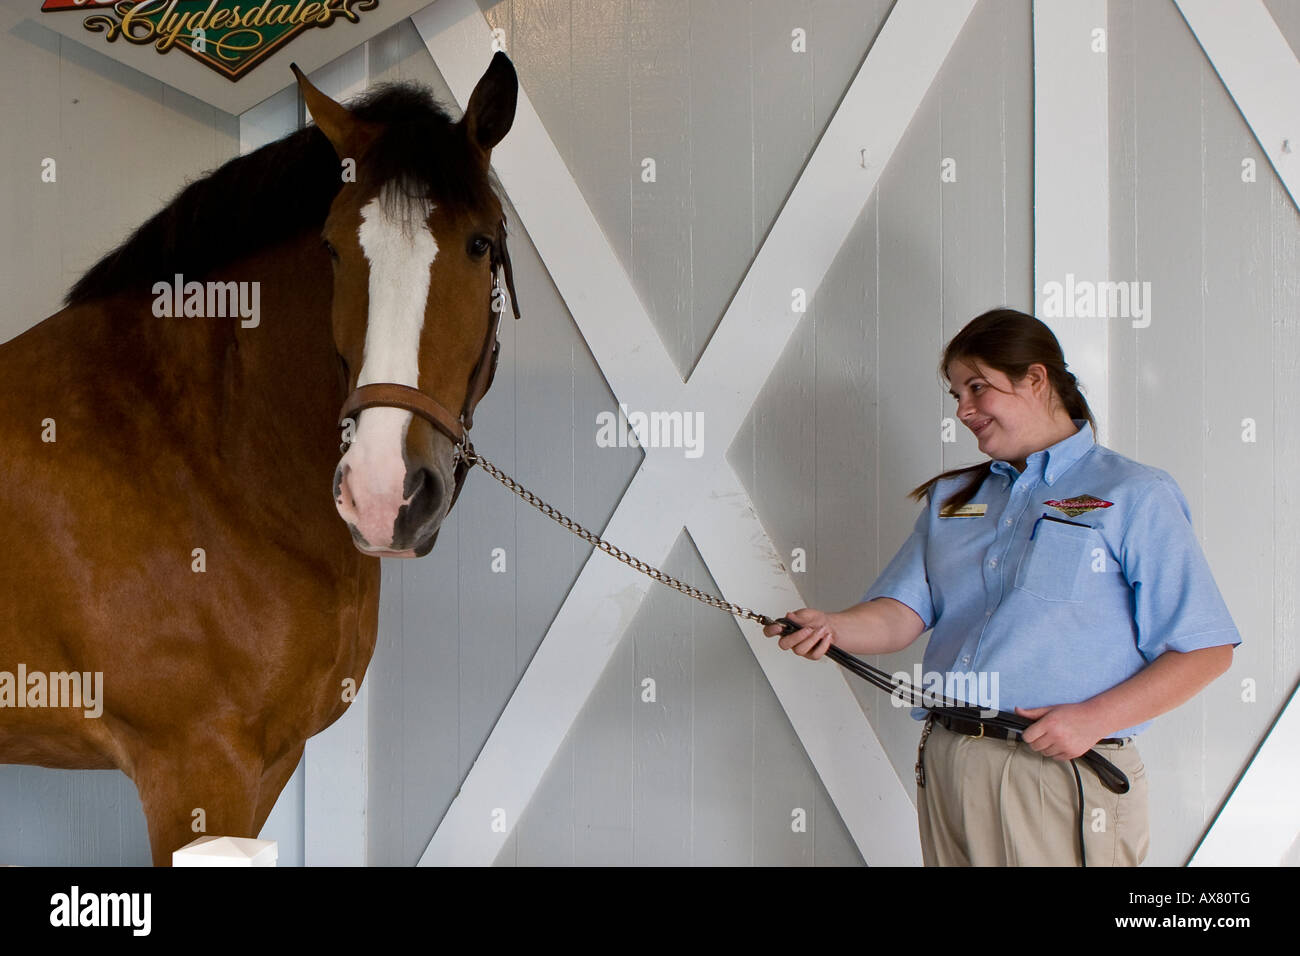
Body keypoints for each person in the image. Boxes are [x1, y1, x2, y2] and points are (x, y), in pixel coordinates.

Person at [763, 308, 1240, 866]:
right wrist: (833, 626)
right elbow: (903, 612)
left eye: (977, 388)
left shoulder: (1136, 494)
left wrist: (1094, 719)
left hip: (1057, 771)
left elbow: (1206, 650)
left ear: (1035, 379)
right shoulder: (956, 500)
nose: (964, 411)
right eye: (956, 395)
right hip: (947, 759)